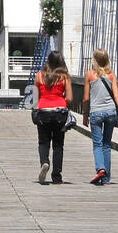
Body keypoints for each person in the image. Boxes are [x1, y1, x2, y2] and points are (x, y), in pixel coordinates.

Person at [82, 48, 118, 185]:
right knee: (106, 145)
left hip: (96, 113)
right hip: (111, 113)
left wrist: (85, 115)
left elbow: (85, 98)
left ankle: (100, 169)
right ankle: (106, 179)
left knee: (97, 144)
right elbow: (117, 96)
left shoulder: (90, 74)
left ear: (94, 61)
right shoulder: (111, 75)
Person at [34, 51, 72, 184]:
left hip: (43, 111)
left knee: (43, 142)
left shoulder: (39, 76)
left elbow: (34, 98)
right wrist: (60, 101)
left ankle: (44, 162)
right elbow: (69, 97)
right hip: (59, 113)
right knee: (58, 145)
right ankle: (56, 176)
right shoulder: (64, 77)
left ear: (48, 61)